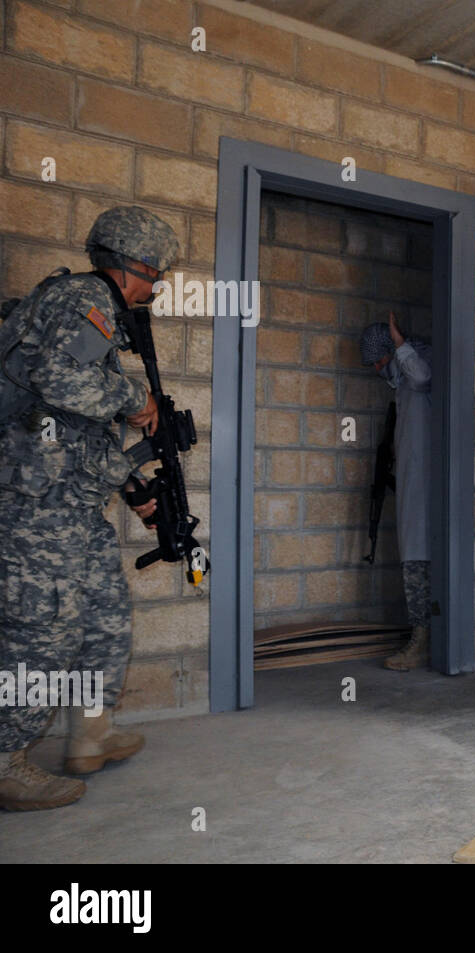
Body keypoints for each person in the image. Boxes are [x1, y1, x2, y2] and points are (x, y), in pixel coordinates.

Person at [0, 206, 178, 811]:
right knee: (43, 634)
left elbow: (82, 429)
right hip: (36, 506)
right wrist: (133, 396)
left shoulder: (91, 314)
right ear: (135, 265)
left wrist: (134, 485)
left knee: (105, 618)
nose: (156, 288)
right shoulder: (84, 299)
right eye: (156, 275)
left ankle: (89, 736)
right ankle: (4, 759)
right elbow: (54, 377)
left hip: (74, 506)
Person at [359, 313, 436, 670]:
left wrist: (400, 344)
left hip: (423, 491)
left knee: (419, 560)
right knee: (413, 559)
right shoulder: (401, 384)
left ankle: (422, 640)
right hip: (411, 487)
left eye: (380, 359)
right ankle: (421, 635)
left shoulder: (415, 367)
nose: (378, 369)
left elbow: (422, 376)